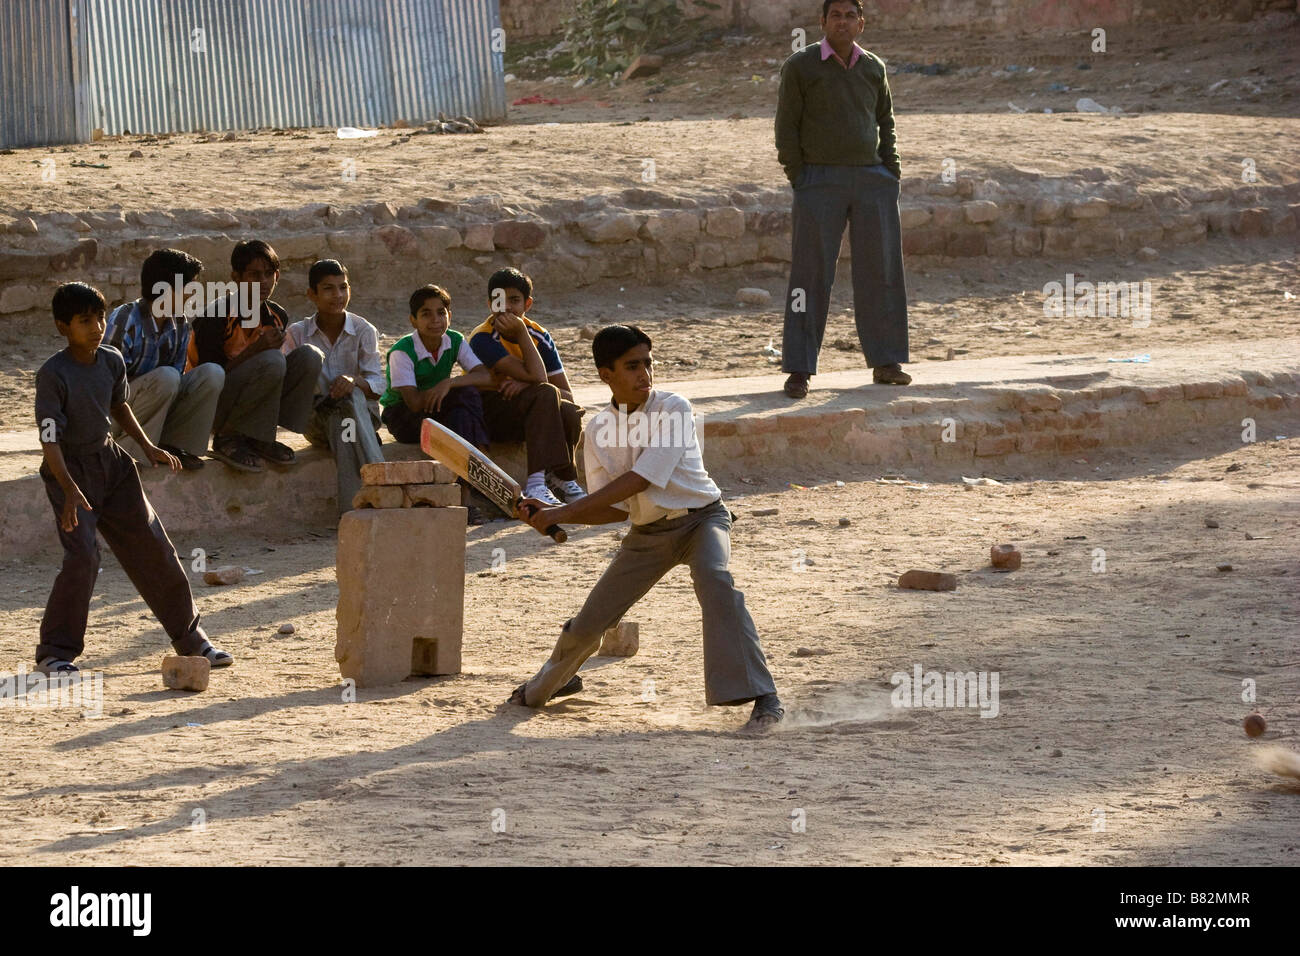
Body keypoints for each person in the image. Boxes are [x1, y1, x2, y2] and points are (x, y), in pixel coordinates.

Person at [512, 325, 783, 732]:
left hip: (703, 518)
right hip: (647, 536)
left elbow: (642, 479)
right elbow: (615, 509)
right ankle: (549, 683)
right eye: (632, 366)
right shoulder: (599, 429)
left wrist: (556, 514)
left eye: (648, 364)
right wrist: (551, 512)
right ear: (607, 375)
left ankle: (766, 697)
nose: (645, 374)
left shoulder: (675, 408)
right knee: (590, 622)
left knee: (716, 579)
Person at [33, 282, 232, 676]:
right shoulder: (52, 374)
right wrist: (69, 488)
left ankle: (191, 640)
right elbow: (49, 438)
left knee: (154, 547)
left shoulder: (110, 360)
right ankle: (55, 653)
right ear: (62, 327)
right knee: (83, 558)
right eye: (84, 321)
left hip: (113, 465)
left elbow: (119, 406)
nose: (97, 327)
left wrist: (148, 447)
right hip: (69, 472)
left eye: (100, 318)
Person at [775, 0, 911, 399]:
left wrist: (891, 170)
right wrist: (799, 176)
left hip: (873, 180)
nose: (843, 21)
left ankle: (887, 362)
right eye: (835, 15)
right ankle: (799, 369)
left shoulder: (873, 67)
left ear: (861, 24)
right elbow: (786, 128)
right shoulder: (800, 66)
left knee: (881, 271)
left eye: (850, 15)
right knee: (809, 277)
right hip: (818, 180)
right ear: (822, 23)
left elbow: (886, 121)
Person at [189, 239, 323, 472]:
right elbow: (210, 376)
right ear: (237, 277)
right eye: (254, 274)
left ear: (277, 276)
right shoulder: (217, 314)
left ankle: (260, 437)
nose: (263, 282)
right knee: (271, 360)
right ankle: (227, 437)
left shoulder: (276, 314)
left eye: (268, 274)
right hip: (213, 404)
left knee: (310, 357)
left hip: (250, 398)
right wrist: (255, 350)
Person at [467, 268, 585, 507]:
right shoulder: (483, 338)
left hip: (529, 408)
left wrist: (523, 383)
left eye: (514, 300)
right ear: (490, 304)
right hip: (491, 413)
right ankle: (535, 483)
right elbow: (542, 381)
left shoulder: (539, 336)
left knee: (570, 411)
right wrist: (521, 334)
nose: (507, 308)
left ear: (527, 304)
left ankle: (560, 478)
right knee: (545, 393)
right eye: (500, 301)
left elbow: (566, 394)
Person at [379, 284, 496, 523]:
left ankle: (466, 495)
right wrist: (447, 388)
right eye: (426, 314)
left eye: (441, 313)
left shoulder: (454, 340)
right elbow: (413, 403)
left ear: (449, 316)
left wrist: (449, 383)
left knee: (463, 404)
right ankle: (479, 467)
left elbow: (486, 376)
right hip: (404, 417)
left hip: (440, 409)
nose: (435, 320)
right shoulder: (402, 352)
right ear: (413, 320)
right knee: (464, 400)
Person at [103, 248, 224, 470]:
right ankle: (127, 454)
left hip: (151, 408)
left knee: (211, 374)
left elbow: (177, 381)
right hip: (114, 416)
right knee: (167, 377)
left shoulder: (179, 323)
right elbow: (104, 387)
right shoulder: (126, 319)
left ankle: (176, 446)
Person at [283, 259, 386, 516]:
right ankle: (384, 486)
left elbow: (378, 385)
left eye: (343, 287)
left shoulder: (364, 330)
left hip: (360, 416)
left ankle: (350, 513)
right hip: (317, 421)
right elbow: (286, 386)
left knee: (348, 404)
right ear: (312, 295)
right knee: (310, 358)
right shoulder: (297, 333)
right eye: (328, 288)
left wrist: (354, 381)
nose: (338, 295)